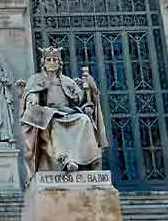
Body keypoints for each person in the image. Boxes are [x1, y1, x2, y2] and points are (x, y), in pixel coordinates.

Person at [20, 47, 107, 175]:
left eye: (55, 59)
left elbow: (78, 99)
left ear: (59, 63)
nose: (52, 62)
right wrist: (32, 99)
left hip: (68, 112)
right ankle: (66, 159)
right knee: (54, 124)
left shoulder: (67, 81)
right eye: (48, 60)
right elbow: (31, 93)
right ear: (43, 63)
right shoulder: (36, 79)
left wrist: (88, 89)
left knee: (85, 120)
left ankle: (91, 159)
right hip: (49, 113)